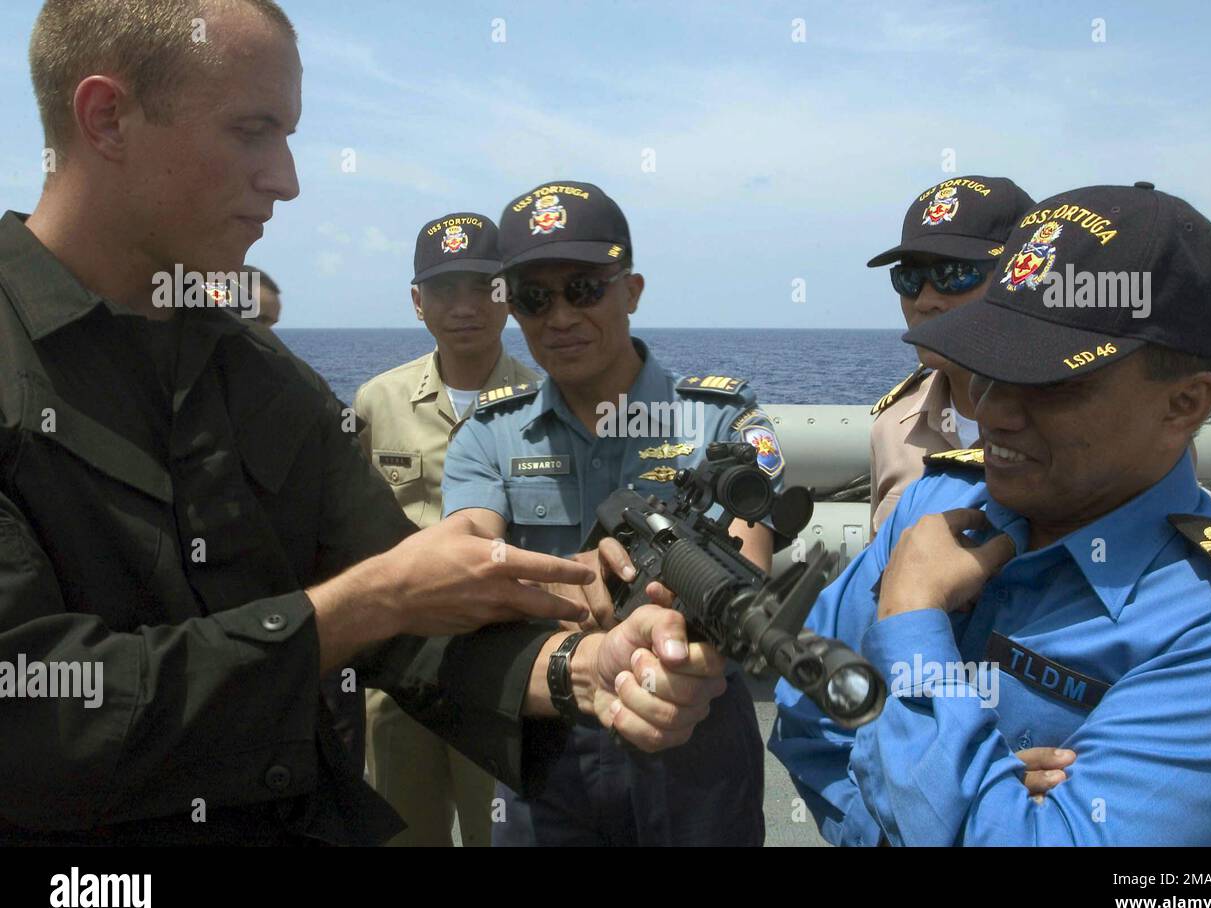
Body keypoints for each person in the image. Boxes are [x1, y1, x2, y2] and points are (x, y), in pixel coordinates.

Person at [1, 0, 728, 845]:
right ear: (106, 117)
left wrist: (579, 668)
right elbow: (37, 709)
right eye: (252, 130)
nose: (286, 178)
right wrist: (355, 607)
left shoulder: (261, 377)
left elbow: (412, 611)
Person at [771, 183, 1211, 845]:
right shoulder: (939, 502)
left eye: (1050, 384)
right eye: (988, 366)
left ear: (1184, 405)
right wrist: (929, 815)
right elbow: (806, 708)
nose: (991, 411)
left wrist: (912, 625)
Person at [441, 179, 785, 846]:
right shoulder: (488, 432)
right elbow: (465, 569)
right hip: (549, 732)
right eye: (535, 298)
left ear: (632, 290)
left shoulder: (720, 418)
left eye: (585, 288)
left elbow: (746, 563)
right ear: (513, 310)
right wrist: (581, 577)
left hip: (693, 723)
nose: (560, 316)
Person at [355, 212, 535, 846]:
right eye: (443, 289)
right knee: (405, 834)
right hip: (403, 672)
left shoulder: (544, 405)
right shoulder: (377, 402)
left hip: (507, 671)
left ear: (508, 295)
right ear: (416, 302)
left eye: (482, 287)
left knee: (505, 837)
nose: (464, 306)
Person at [865, 176, 1033, 536]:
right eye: (909, 279)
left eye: (954, 275)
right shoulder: (892, 428)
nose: (925, 301)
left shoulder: (1081, 426)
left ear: (1020, 277)